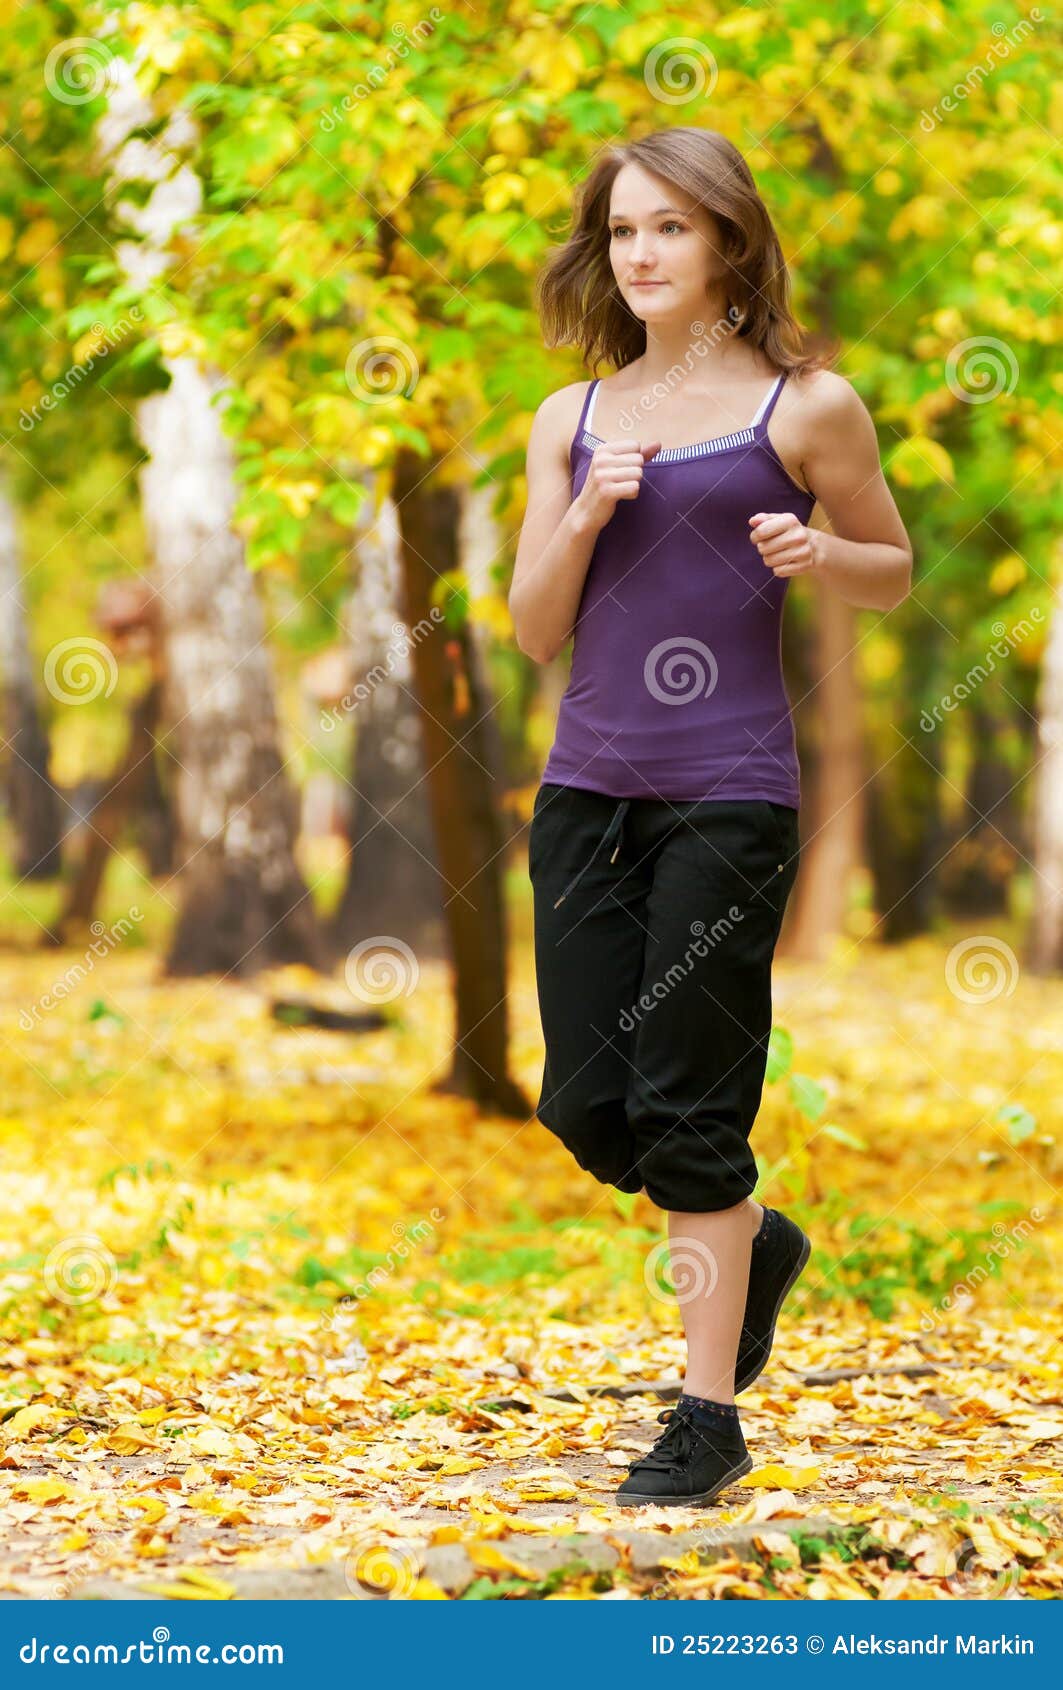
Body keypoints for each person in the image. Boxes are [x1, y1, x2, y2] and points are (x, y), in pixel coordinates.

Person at [509, 127, 913, 1508]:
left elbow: (895, 570)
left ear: (729, 243)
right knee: (582, 1098)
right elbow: (530, 629)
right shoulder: (570, 422)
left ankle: (705, 1413)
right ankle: (755, 1237)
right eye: (624, 231)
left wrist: (822, 551)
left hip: (732, 796)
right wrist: (582, 517)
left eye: (671, 228)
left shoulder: (807, 409)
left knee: (688, 1105)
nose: (642, 253)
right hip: (584, 792)